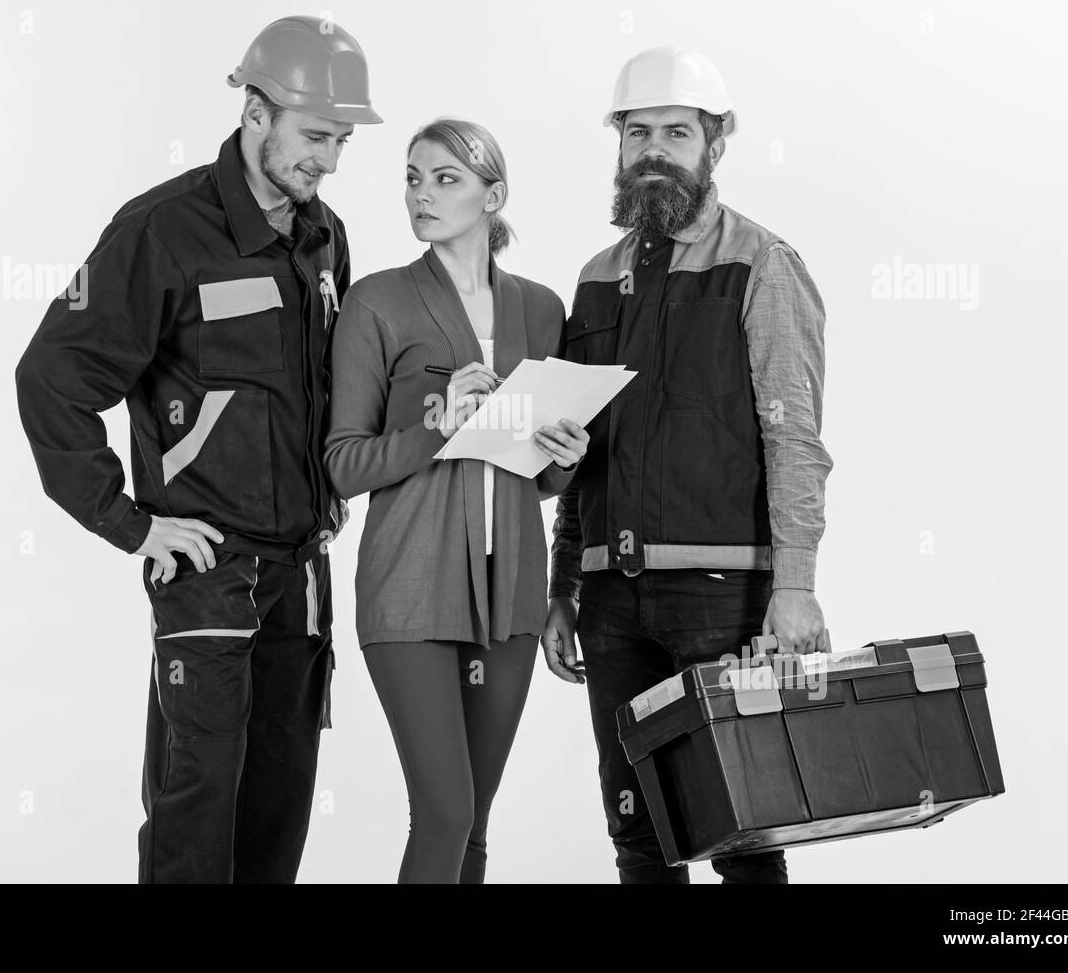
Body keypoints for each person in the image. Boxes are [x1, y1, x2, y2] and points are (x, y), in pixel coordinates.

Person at [14, 16, 383, 883]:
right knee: (195, 821)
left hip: (301, 578)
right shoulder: (163, 230)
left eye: (340, 140)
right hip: (209, 577)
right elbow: (51, 377)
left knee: (277, 818)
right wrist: (128, 522)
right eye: (315, 136)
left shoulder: (322, 238)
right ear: (256, 112)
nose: (328, 160)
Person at [542, 46, 835, 884]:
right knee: (639, 834)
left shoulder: (763, 266)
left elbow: (796, 441)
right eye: (638, 132)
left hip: (725, 600)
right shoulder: (596, 279)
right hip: (609, 602)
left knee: (742, 834)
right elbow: (582, 449)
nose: (654, 149)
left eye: (677, 130)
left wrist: (797, 586)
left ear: (717, 141)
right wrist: (563, 585)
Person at [324, 118, 589, 883]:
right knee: (443, 814)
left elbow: (533, 477)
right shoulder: (378, 303)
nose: (422, 194)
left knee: (473, 825)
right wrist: (437, 424)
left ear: (492, 196)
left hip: (509, 597)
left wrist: (564, 461)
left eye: (445, 179)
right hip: (410, 590)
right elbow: (343, 465)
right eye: (412, 177)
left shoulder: (540, 310)